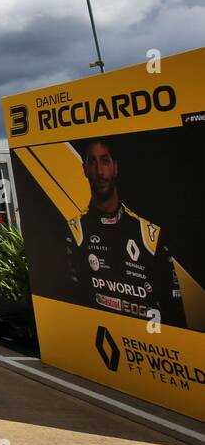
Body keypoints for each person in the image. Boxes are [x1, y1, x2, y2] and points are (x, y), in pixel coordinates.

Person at [64, 138, 193, 329]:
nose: (100, 172)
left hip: (150, 342)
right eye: (93, 162)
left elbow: (175, 314)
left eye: (105, 161)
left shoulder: (149, 234)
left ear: (116, 167)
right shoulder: (75, 231)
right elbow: (73, 306)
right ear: (84, 169)